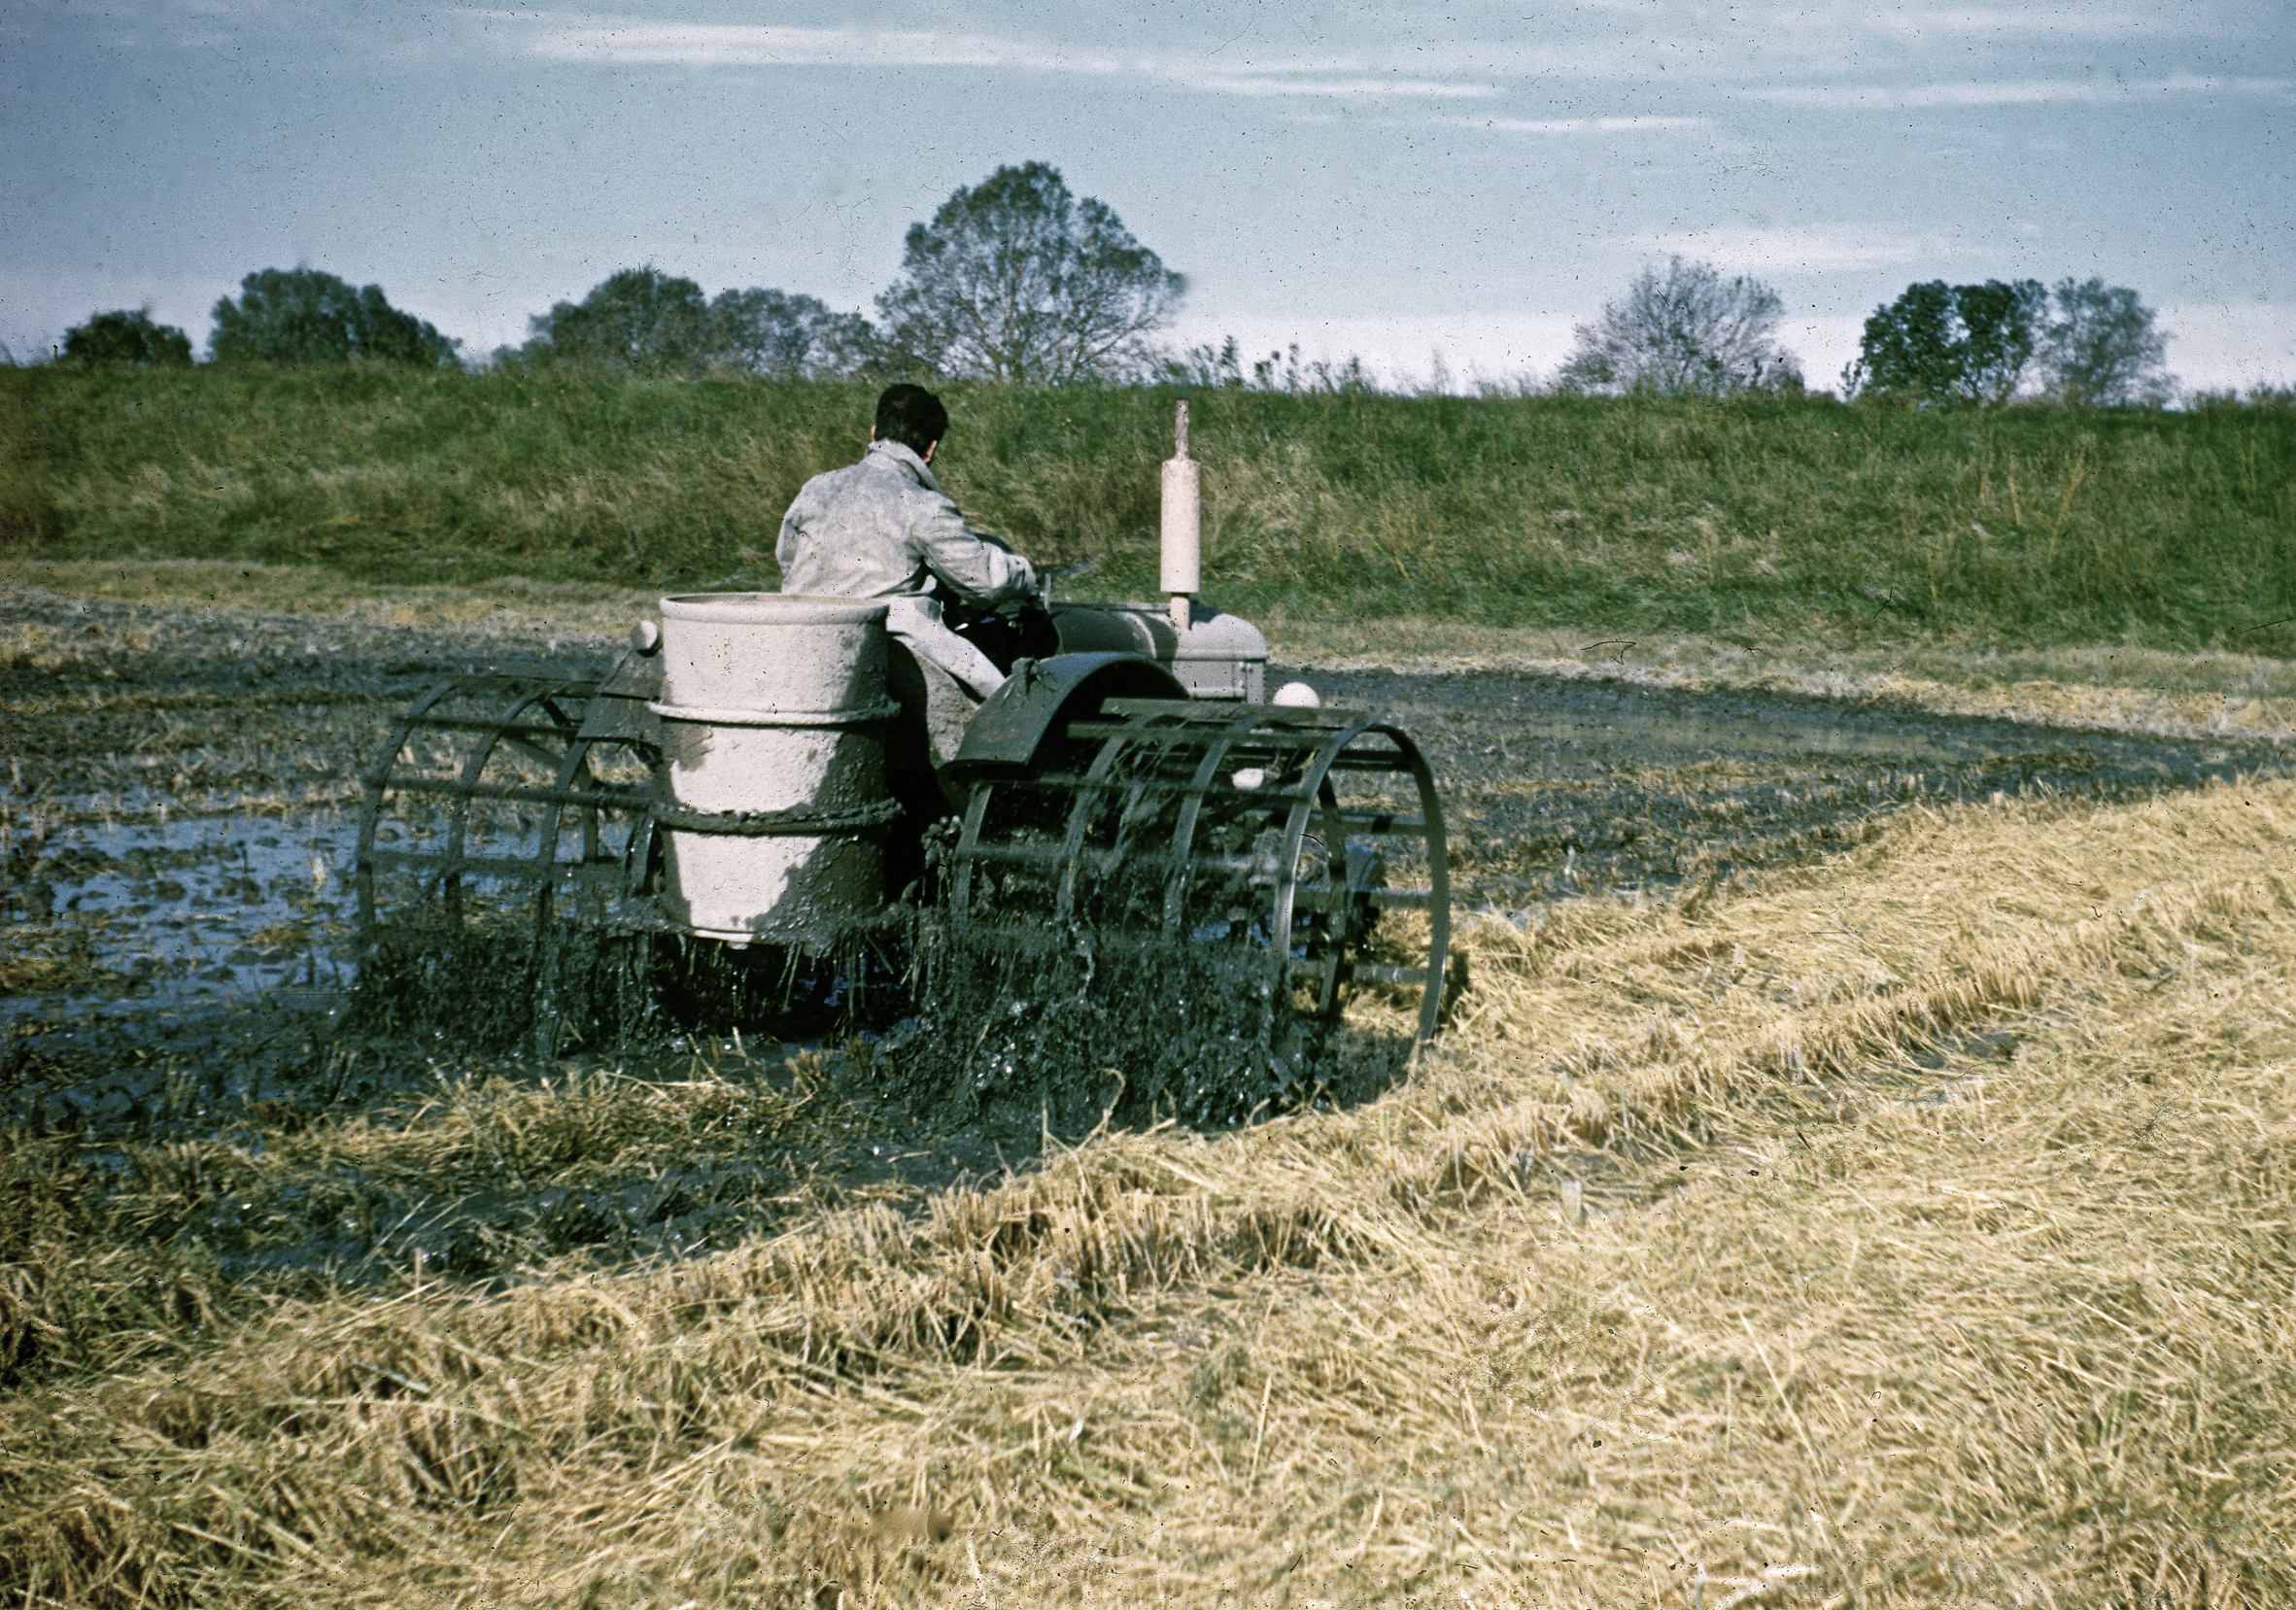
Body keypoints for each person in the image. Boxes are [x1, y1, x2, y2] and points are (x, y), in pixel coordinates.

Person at [776, 383, 1047, 840]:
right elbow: (983, 580)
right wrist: (1023, 572)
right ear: (931, 449)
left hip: (801, 634)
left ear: (874, 430)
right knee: (1000, 706)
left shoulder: (814, 489)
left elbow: (787, 557)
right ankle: (996, 810)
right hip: (889, 640)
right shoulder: (920, 503)